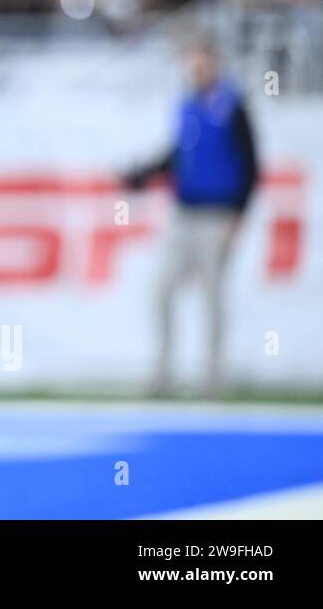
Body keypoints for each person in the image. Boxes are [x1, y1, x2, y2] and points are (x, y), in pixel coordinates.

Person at [124, 37, 259, 398]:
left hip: (217, 214)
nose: (196, 67)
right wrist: (143, 175)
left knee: (213, 297)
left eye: (202, 60)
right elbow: (179, 156)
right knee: (160, 289)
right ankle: (162, 373)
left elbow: (250, 163)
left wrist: (239, 214)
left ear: (214, 63)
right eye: (191, 60)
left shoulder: (231, 106)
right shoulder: (186, 106)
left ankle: (212, 378)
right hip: (183, 213)